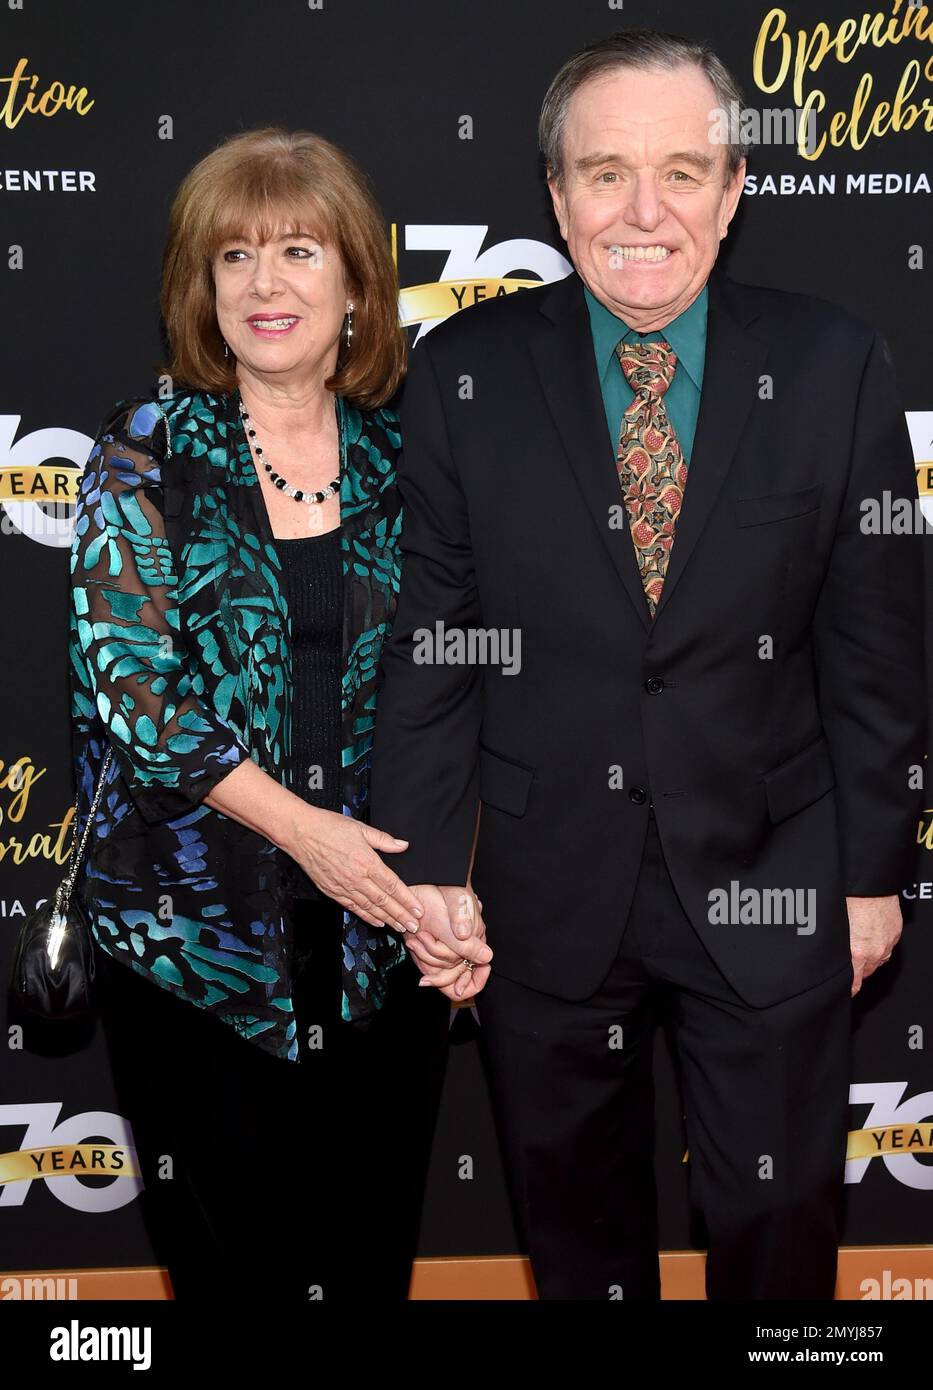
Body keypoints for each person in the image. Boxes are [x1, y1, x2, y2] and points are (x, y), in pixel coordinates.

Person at [370, 30, 926, 1299]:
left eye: (685, 171)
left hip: (776, 875)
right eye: (605, 172)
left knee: (782, 1249)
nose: (644, 211)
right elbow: (434, 650)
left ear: (736, 193)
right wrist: (420, 875)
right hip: (542, 886)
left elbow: (876, 640)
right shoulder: (464, 376)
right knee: (580, 1256)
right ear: (557, 197)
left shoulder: (836, 362)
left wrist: (875, 874)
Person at [68, 126, 488, 1300]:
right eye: (234, 257)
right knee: (232, 1270)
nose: (265, 284)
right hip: (191, 943)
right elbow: (139, 700)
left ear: (355, 282)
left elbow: (459, 690)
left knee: (365, 1259)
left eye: (298, 250)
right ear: (200, 288)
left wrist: (449, 888)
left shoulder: (415, 463)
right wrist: (312, 837)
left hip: (378, 943)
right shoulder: (143, 456)